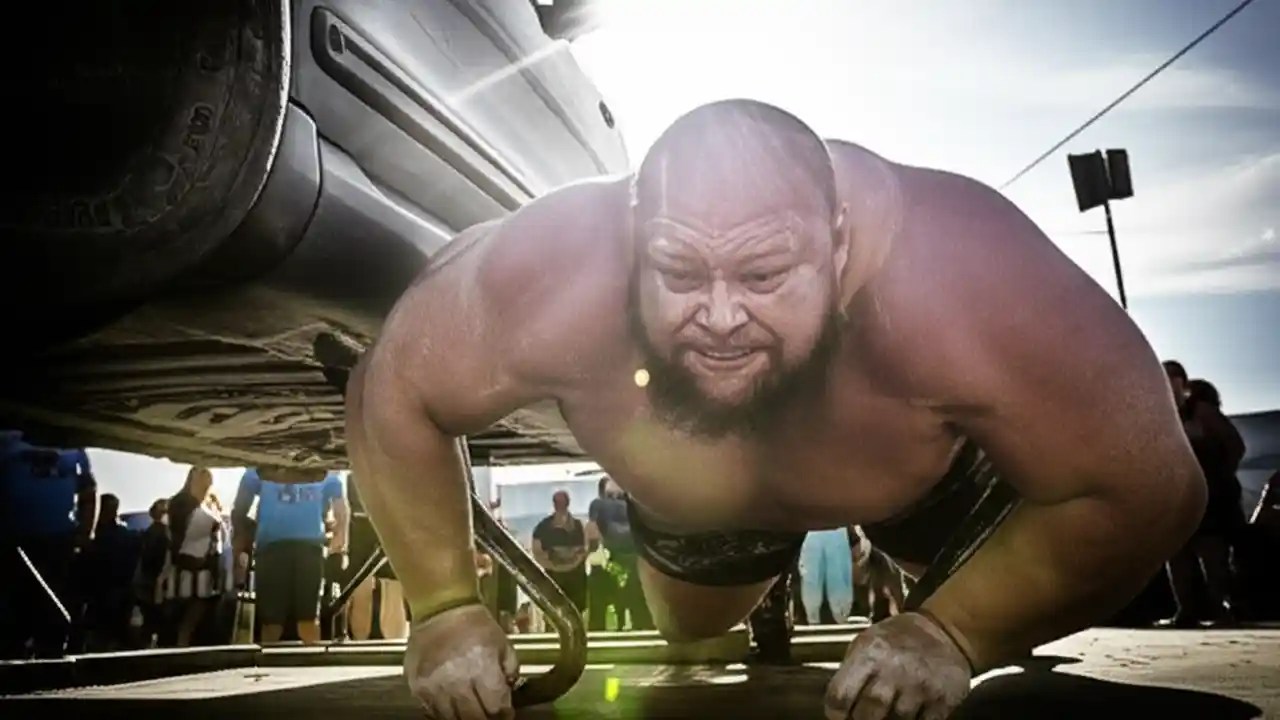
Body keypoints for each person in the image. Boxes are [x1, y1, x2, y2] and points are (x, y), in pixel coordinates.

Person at [345, 99, 1207, 720]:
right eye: (681, 273)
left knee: (999, 643)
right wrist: (446, 607)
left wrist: (953, 632)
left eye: (763, 276)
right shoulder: (553, 266)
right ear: (637, 237)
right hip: (695, 491)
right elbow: (394, 389)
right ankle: (759, 587)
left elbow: (1154, 485)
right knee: (692, 632)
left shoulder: (958, 270)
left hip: (918, 484)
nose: (721, 318)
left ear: (837, 239)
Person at [1159, 367, 1246, 627]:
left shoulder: (1201, 411)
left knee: (1211, 550)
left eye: (1171, 380)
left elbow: (1235, 445)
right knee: (1176, 551)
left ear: (1182, 383)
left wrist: (1218, 477)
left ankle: (1221, 609)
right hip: (1178, 494)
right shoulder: (1162, 415)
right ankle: (1186, 611)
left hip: (1210, 494)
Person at [231, 467, 348, 643]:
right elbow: (240, 508)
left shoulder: (323, 468)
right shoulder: (260, 467)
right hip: (271, 547)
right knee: (271, 623)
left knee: (308, 621)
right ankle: (267, 667)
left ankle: (311, 665)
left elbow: (341, 506)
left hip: (309, 548)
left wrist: (341, 537)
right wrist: (241, 542)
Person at [167, 466, 229, 647]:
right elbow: (181, 536)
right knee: (187, 619)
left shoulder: (209, 505)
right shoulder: (181, 503)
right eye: (202, 473)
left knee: (202, 619)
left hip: (208, 571)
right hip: (189, 569)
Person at [530, 490, 588, 613]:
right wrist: (555, 565)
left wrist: (568, 564)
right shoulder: (543, 527)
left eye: (562, 502)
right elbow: (537, 554)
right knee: (552, 615)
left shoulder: (578, 526)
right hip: (553, 579)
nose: (560, 505)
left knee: (575, 614)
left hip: (575, 581)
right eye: (558, 502)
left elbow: (583, 551)